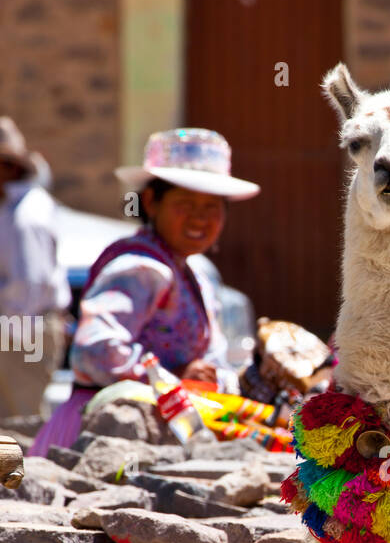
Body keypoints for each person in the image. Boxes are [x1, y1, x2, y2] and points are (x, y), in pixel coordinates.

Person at [30, 128, 259, 455]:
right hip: (110, 436)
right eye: (185, 203)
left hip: (163, 432)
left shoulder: (193, 274)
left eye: (212, 207)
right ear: (151, 202)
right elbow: (95, 350)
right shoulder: (141, 269)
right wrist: (173, 375)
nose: (200, 217)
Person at [0, 118, 70, 420]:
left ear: (8, 167)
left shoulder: (26, 216)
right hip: (19, 327)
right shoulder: (13, 210)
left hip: (23, 329)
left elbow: (28, 287)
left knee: (20, 424)